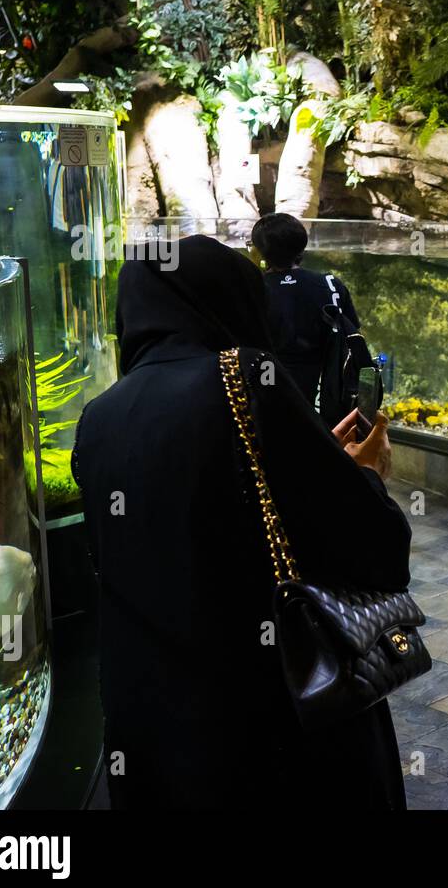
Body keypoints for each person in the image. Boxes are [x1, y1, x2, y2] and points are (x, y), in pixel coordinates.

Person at [72, 234, 410, 809]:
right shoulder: (246, 378)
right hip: (274, 728)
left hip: (157, 740)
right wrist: (365, 474)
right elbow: (379, 551)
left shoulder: (98, 420)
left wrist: (310, 461)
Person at [250, 212, 361, 406]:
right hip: (324, 391)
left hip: (267, 390)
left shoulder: (252, 289)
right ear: (301, 246)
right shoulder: (330, 284)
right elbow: (352, 335)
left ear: (260, 252)